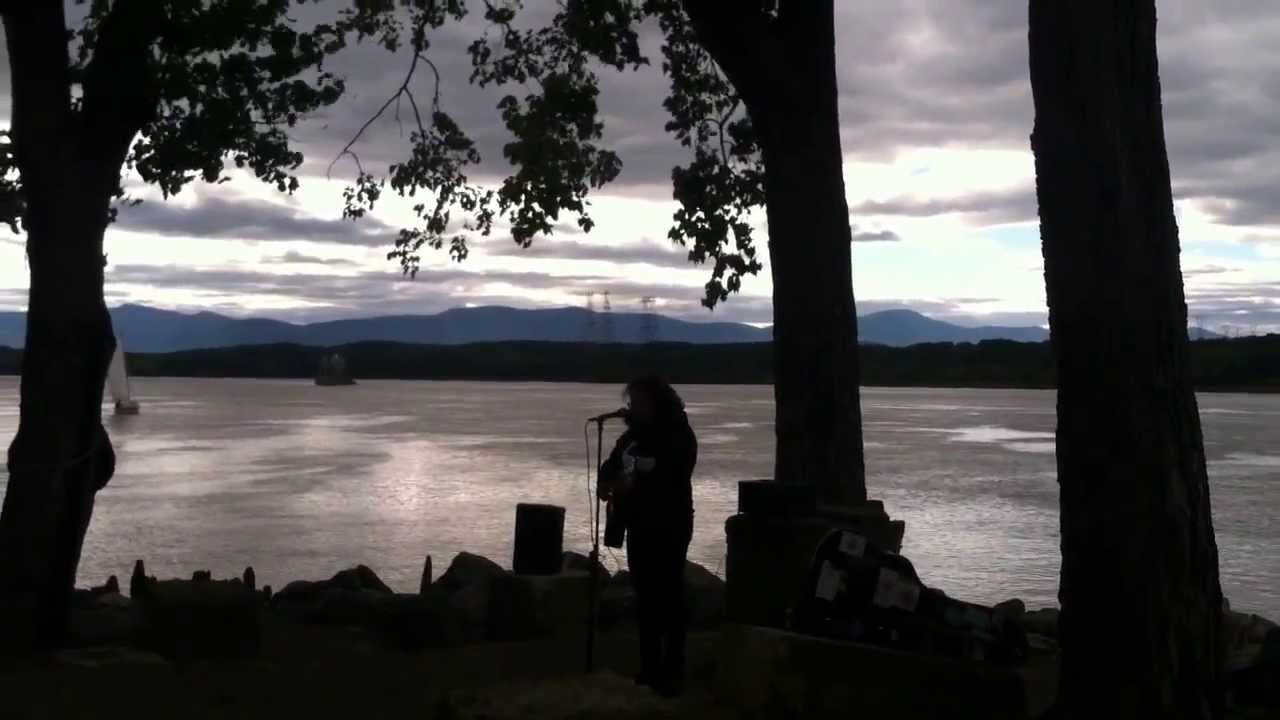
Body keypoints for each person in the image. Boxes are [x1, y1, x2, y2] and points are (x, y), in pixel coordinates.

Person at [599, 376, 697, 697]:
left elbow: (674, 474)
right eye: (633, 403)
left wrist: (637, 481)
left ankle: (673, 669)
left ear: (658, 403)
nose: (634, 408)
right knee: (645, 596)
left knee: (668, 595)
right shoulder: (630, 439)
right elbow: (608, 471)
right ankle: (649, 668)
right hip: (638, 525)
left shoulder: (679, 436)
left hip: (670, 524)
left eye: (640, 402)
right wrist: (611, 483)